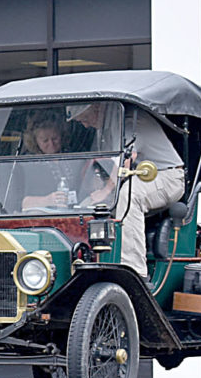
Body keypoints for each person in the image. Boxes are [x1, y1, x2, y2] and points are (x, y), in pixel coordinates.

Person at [72, 102, 185, 279]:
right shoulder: (109, 126)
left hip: (167, 177)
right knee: (87, 206)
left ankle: (134, 271)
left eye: (85, 119)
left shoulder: (130, 122)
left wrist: (105, 190)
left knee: (129, 196)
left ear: (97, 108)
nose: (85, 125)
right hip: (136, 176)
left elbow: (125, 160)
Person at [19, 110, 75, 209]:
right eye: (45, 140)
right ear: (35, 141)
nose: (51, 144)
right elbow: (22, 204)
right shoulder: (29, 164)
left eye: (55, 138)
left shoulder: (72, 156)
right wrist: (48, 200)